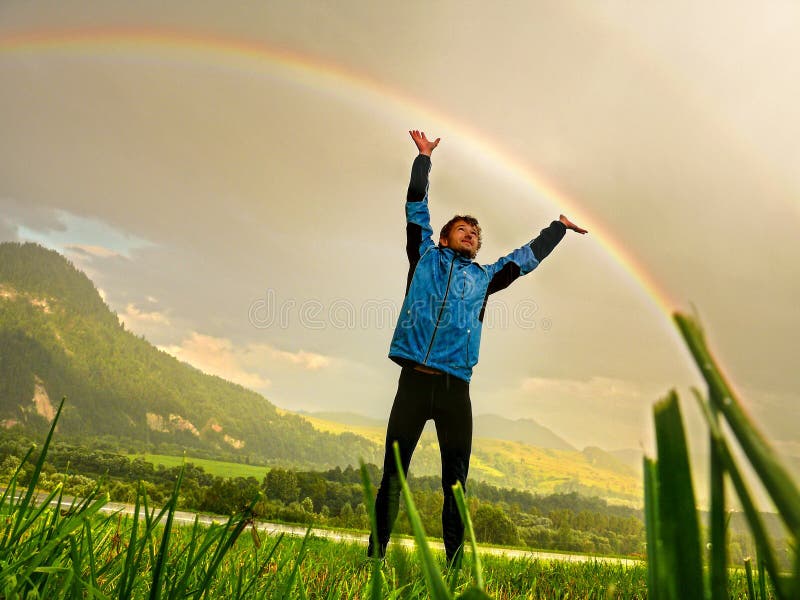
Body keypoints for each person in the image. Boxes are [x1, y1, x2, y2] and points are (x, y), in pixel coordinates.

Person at [368, 130, 587, 563]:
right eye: (461, 230)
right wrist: (424, 158)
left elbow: (524, 259)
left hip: (455, 392)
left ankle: (452, 566)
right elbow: (416, 205)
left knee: (456, 483)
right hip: (413, 383)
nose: (470, 235)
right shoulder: (424, 257)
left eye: (474, 233)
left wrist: (557, 229)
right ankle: (374, 557)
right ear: (444, 238)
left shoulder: (485, 278)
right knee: (393, 476)